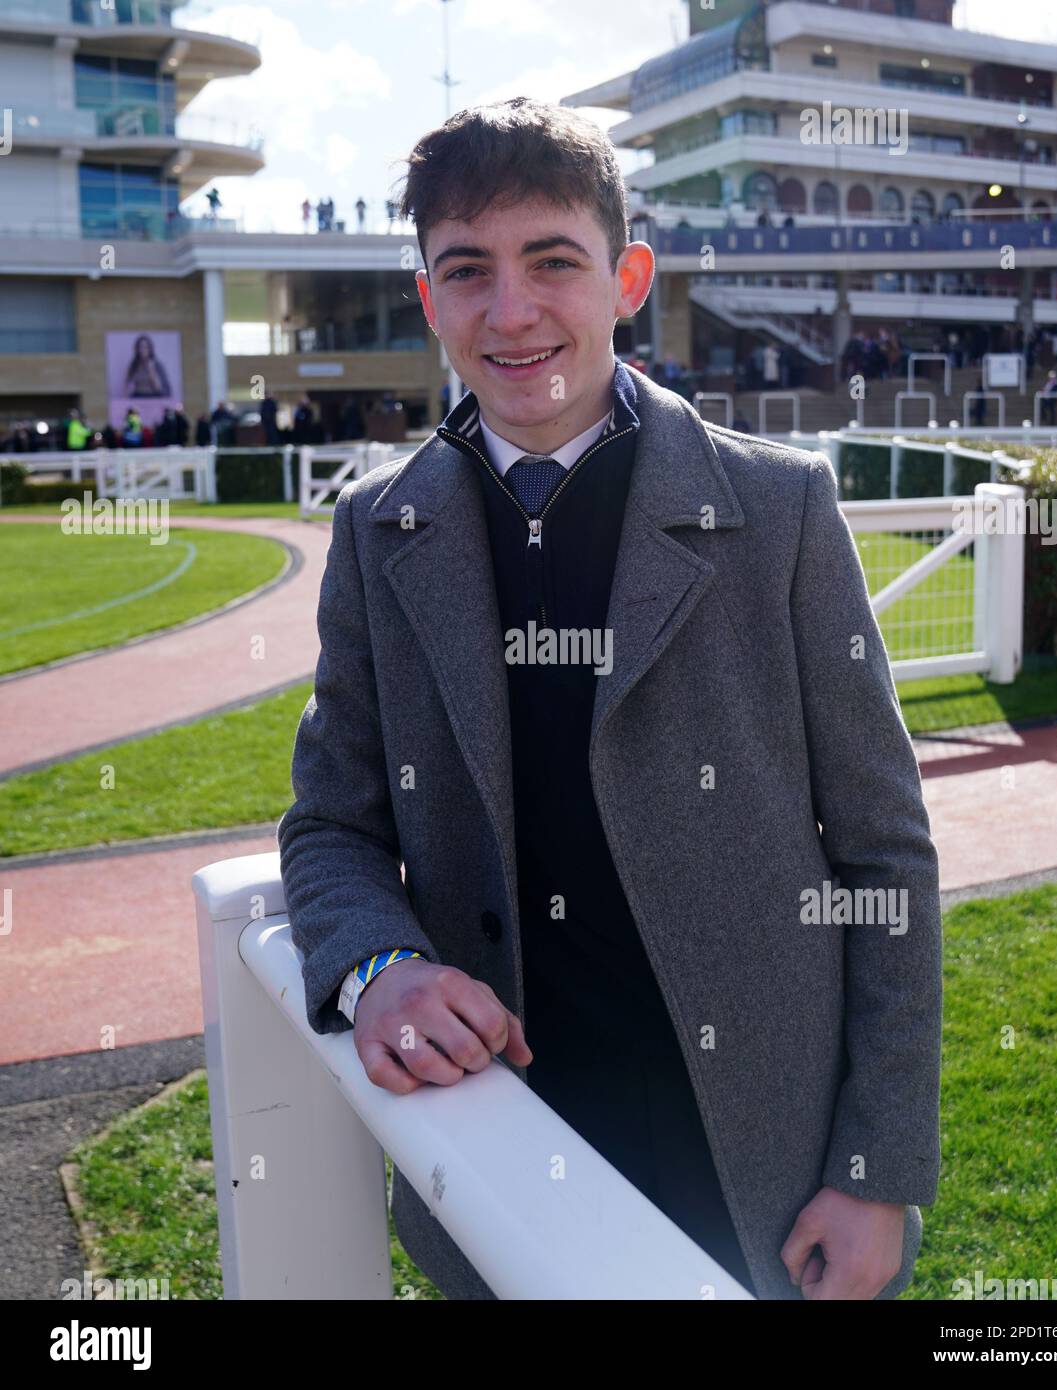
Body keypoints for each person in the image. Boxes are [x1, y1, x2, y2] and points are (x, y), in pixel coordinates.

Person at [277, 96, 941, 1304]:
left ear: (626, 278)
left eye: (552, 262)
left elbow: (883, 855)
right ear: (427, 299)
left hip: (763, 1153)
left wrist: (875, 1164)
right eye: (466, 271)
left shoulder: (780, 508)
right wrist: (380, 964)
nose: (510, 310)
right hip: (504, 1134)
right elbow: (330, 824)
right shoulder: (377, 529)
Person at [123, 334, 172, 398]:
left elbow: (160, 389)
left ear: (150, 349)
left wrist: (152, 371)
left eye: (145, 347)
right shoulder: (134, 365)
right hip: (137, 397)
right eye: (140, 347)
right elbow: (128, 388)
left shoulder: (157, 365)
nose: (142, 350)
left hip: (153, 397)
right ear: (137, 349)